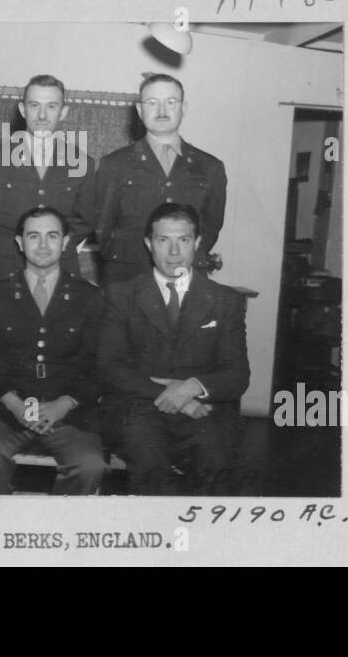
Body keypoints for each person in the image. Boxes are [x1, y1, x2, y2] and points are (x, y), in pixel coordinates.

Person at [98, 202, 249, 495]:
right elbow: (111, 367)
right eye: (163, 240)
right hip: (140, 407)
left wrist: (192, 387)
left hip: (206, 410)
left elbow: (237, 375)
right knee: (148, 459)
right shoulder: (121, 296)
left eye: (183, 240)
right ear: (148, 243)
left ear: (198, 244)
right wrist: (173, 395)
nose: (174, 252)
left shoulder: (224, 300)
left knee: (216, 459)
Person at [0, 207, 107, 495]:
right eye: (34, 236)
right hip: (7, 410)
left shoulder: (90, 297)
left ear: (66, 242)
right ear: (19, 243)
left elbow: (98, 364)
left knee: (91, 465)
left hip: (68, 412)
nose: (43, 245)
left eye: (52, 236)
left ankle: (56, 533)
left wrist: (64, 404)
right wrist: (16, 404)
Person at [94, 74, 227, 284]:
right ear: (140, 110)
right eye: (152, 102)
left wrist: (182, 257)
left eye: (171, 102)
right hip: (129, 278)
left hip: (187, 278)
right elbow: (103, 229)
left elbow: (211, 228)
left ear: (183, 108)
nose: (162, 110)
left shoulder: (210, 167)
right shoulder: (114, 164)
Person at [0, 74, 97, 282]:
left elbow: (87, 218)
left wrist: (55, 243)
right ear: (22, 109)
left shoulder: (82, 162)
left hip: (60, 266)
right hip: (3, 264)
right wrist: (9, 238)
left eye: (51, 106)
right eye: (34, 105)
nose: (42, 115)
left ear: (63, 112)